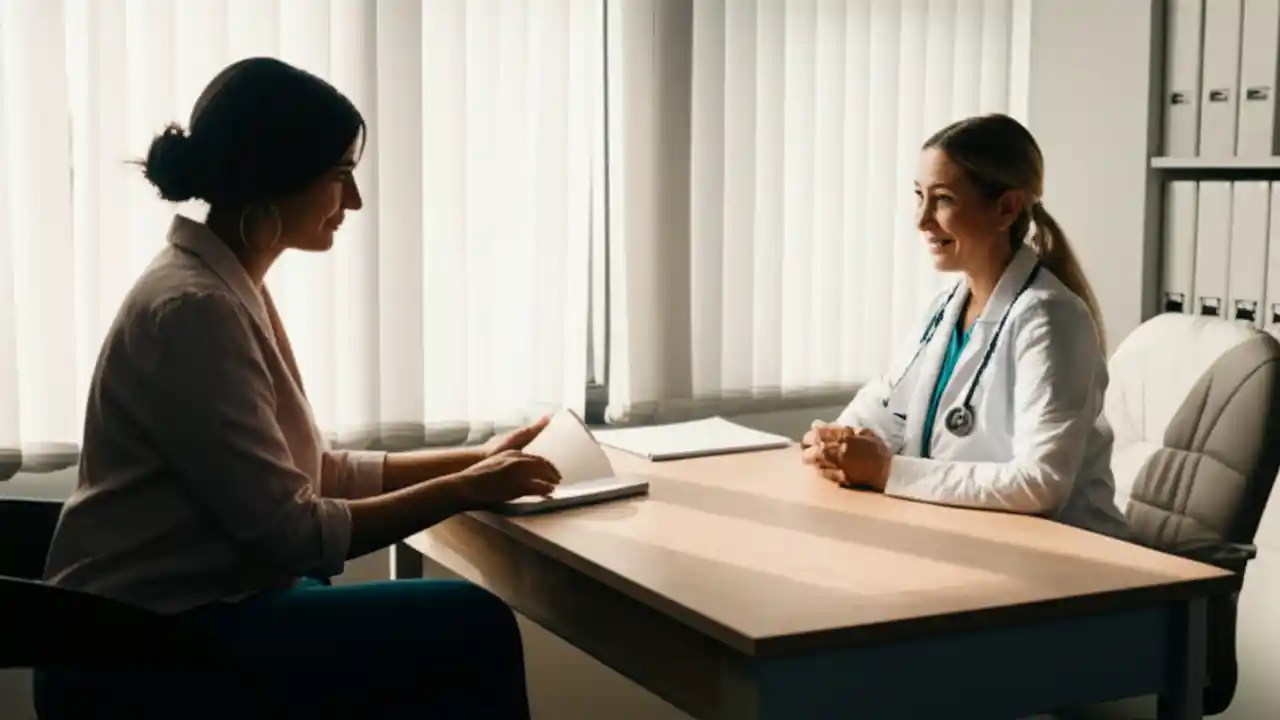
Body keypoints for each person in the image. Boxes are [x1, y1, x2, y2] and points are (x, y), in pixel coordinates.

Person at [35, 57, 561, 719]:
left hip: (175, 620)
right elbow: (291, 533)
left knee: (434, 631)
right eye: (341, 175)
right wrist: (464, 491)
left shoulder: (223, 284)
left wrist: (480, 458)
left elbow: (316, 472)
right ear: (276, 179)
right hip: (141, 650)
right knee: (471, 625)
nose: (356, 201)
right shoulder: (196, 310)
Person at [801, 113, 1129, 539]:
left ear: (1006, 209)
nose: (922, 219)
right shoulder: (945, 309)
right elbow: (887, 402)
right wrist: (834, 440)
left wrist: (886, 471)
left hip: (1074, 559)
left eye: (943, 199)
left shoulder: (1049, 318)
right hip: (963, 536)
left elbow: (1042, 483)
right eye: (919, 196)